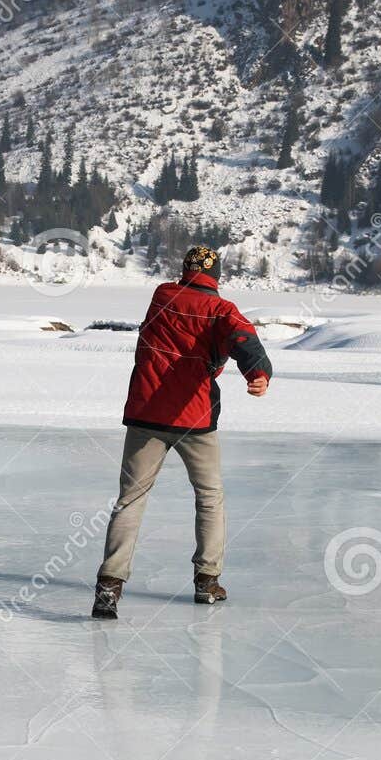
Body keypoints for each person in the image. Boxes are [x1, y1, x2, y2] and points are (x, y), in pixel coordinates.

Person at [92, 245, 271, 618]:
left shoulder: (162, 295)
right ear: (217, 276)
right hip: (194, 419)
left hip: (147, 415)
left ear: (183, 269)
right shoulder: (221, 310)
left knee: (131, 498)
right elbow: (241, 336)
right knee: (209, 496)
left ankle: (109, 587)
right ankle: (207, 583)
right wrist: (258, 372)